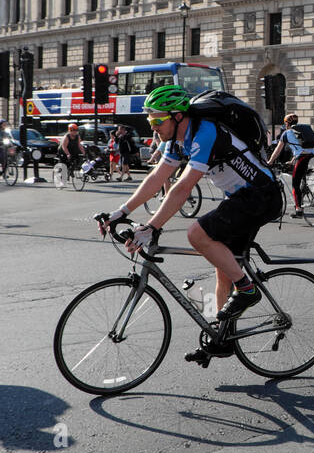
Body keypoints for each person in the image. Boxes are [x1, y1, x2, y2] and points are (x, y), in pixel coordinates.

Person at [98, 85, 281, 364]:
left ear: (178, 116)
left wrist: (151, 227)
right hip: (239, 198)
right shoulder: (176, 140)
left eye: (158, 121)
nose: (153, 127)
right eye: (150, 121)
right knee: (224, 271)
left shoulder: (205, 132)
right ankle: (223, 340)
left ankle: (247, 289)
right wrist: (120, 212)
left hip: (261, 196)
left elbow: (182, 188)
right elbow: (156, 179)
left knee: (197, 233)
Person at [266, 113, 314, 218]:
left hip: (303, 158)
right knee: (300, 178)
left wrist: (270, 162)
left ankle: (298, 210)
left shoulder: (286, 133)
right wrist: (292, 160)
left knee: (295, 184)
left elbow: (277, 150)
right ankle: (302, 195)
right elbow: (300, 148)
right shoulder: (301, 131)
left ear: (287, 123)